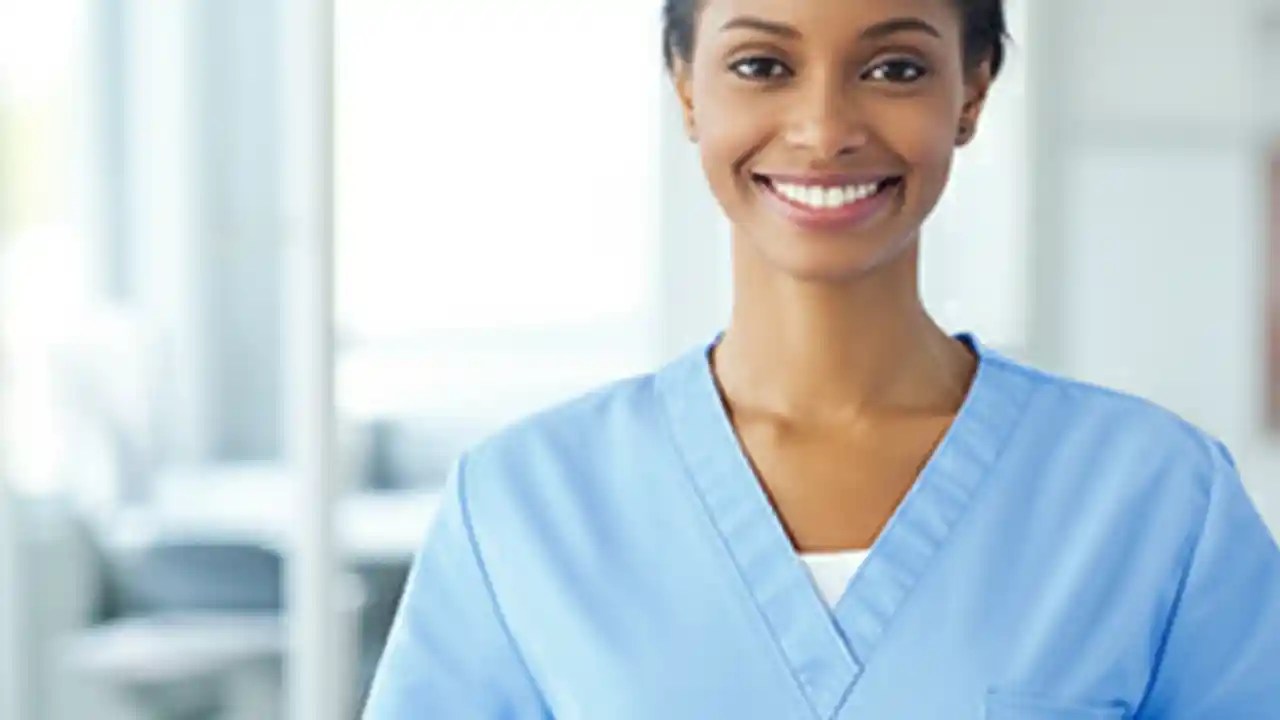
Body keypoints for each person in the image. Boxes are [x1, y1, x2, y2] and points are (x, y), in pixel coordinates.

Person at [364, 0, 1280, 717]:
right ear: (687, 89)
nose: (824, 127)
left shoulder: (1156, 497)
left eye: (895, 68)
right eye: (762, 66)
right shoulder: (523, 505)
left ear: (971, 92)